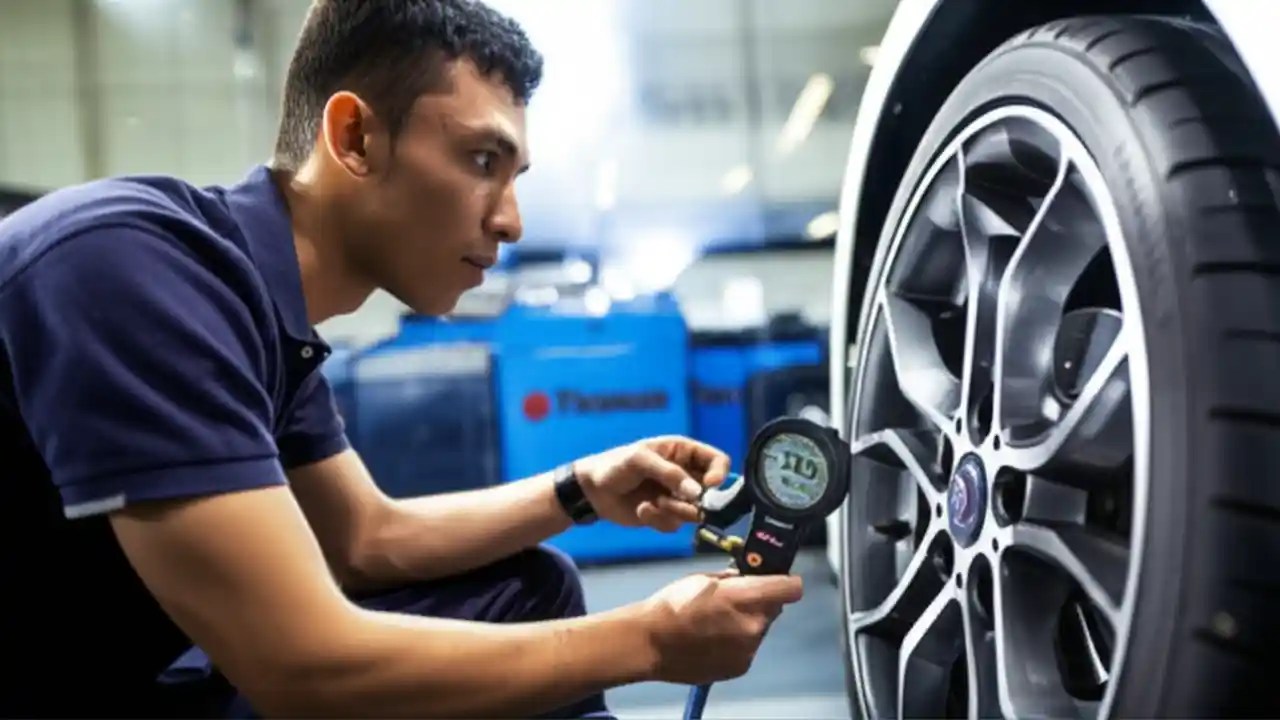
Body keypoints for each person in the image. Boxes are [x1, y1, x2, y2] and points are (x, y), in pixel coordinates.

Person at [0, 1, 805, 717]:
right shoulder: (132, 266)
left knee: (530, 588)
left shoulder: (264, 316)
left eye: (515, 175)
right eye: (482, 162)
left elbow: (366, 540)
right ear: (354, 138)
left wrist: (580, 489)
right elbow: (300, 667)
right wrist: (650, 642)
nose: (512, 222)